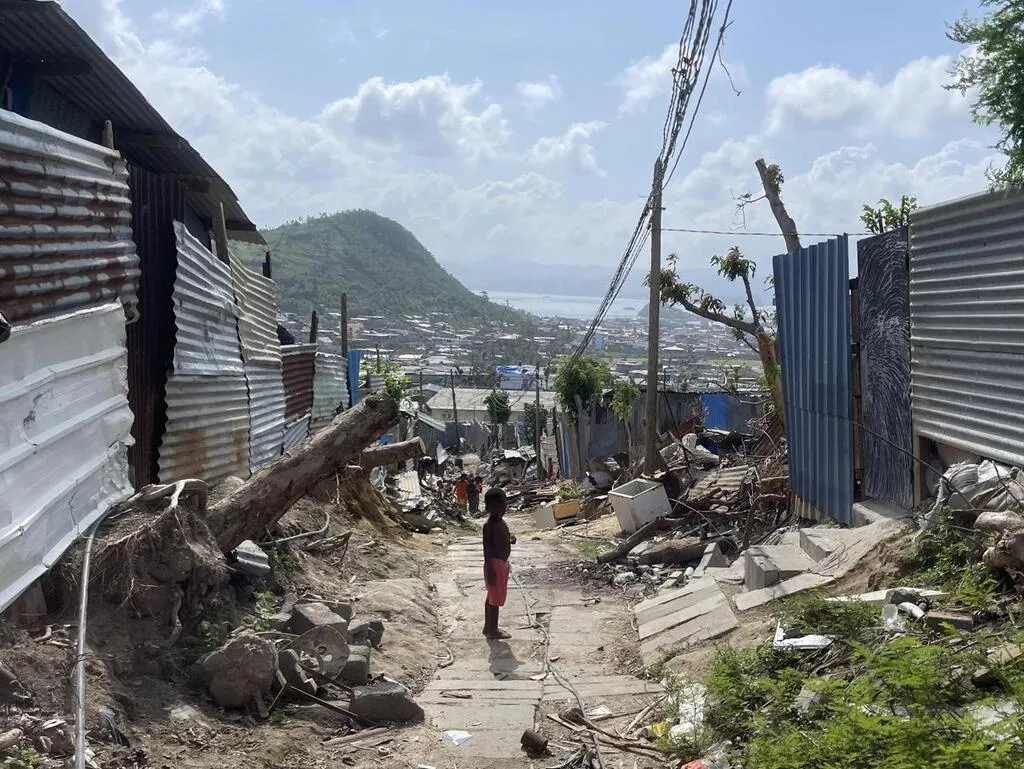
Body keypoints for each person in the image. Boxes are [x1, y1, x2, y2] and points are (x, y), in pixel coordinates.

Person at [482, 487, 516, 639]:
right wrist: (490, 570)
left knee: (492, 596)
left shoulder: (501, 522)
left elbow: (504, 537)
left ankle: (487, 626)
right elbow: (487, 549)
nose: (501, 510)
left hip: (501, 564)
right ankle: (493, 629)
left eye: (504, 506)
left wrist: (510, 538)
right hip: (494, 564)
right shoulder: (489, 526)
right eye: (497, 507)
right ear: (488, 508)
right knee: (494, 599)